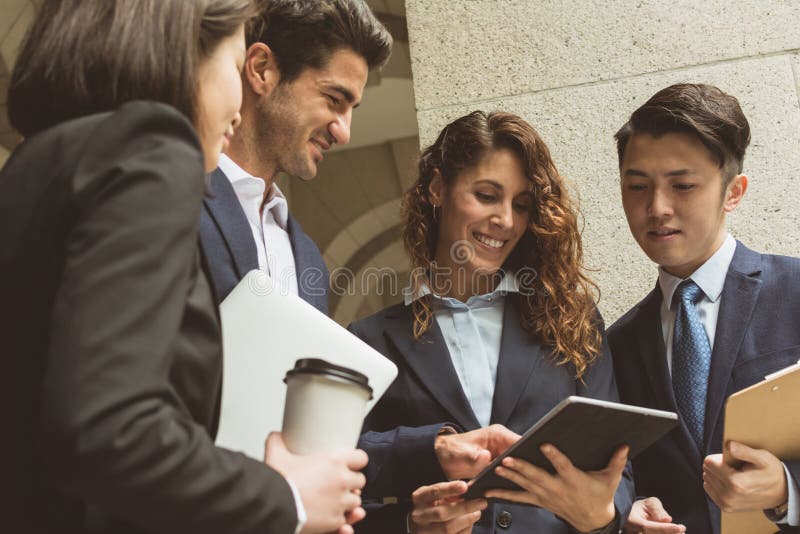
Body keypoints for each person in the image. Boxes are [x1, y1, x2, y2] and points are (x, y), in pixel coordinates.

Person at [0, 1, 366, 533]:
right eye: (233, 63)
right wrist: (287, 497)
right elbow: (110, 427)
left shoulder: (39, 161)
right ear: (182, 53)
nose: (238, 105)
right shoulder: (153, 150)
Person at [349, 111, 635, 533]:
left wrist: (603, 518)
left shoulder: (572, 321)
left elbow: (618, 475)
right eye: (486, 195)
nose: (506, 220)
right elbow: (345, 487)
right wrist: (409, 525)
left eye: (521, 205)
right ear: (437, 188)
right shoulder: (369, 341)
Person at [608, 83, 800, 534]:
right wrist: (626, 510)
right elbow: (623, 474)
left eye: (682, 185)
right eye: (637, 186)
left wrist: (788, 489)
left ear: (733, 192)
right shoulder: (615, 345)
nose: (656, 208)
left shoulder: (795, 289)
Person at [199, 0, 393, 310]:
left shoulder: (311, 262)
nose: (343, 133)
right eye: (334, 99)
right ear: (262, 69)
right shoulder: (174, 192)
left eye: (351, 109)